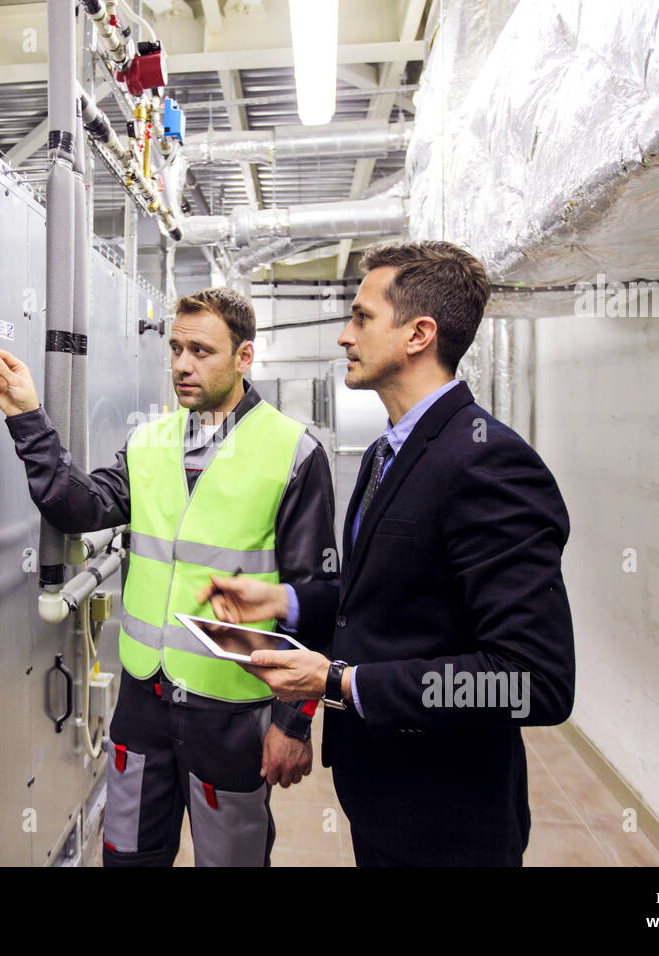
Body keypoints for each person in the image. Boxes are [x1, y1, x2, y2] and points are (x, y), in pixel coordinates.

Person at [199, 241, 576, 866]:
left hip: (447, 821)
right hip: (382, 799)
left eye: (362, 317)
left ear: (418, 334)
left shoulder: (487, 461)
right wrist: (285, 598)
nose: (344, 336)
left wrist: (340, 683)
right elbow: (387, 598)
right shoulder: (387, 453)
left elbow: (531, 680)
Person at [0, 287, 337, 867]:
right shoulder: (148, 441)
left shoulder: (293, 452)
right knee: (127, 856)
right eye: (175, 348)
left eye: (201, 350)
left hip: (232, 709)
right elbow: (80, 507)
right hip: (143, 702)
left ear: (244, 357)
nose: (181, 364)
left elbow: (318, 597)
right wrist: (27, 416)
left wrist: (293, 724)